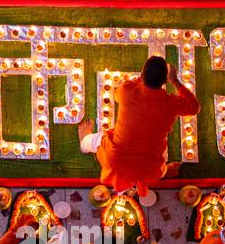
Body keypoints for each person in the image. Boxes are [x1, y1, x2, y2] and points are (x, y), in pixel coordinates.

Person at [77, 56, 201, 194]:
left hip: (117, 160)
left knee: (96, 140)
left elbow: (118, 95)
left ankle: (83, 142)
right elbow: (194, 107)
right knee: (159, 161)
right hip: (150, 167)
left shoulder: (127, 91)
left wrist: (141, 79)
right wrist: (176, 82)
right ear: (166, 80)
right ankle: (165, 172)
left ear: (142, 75)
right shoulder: (172, 104)